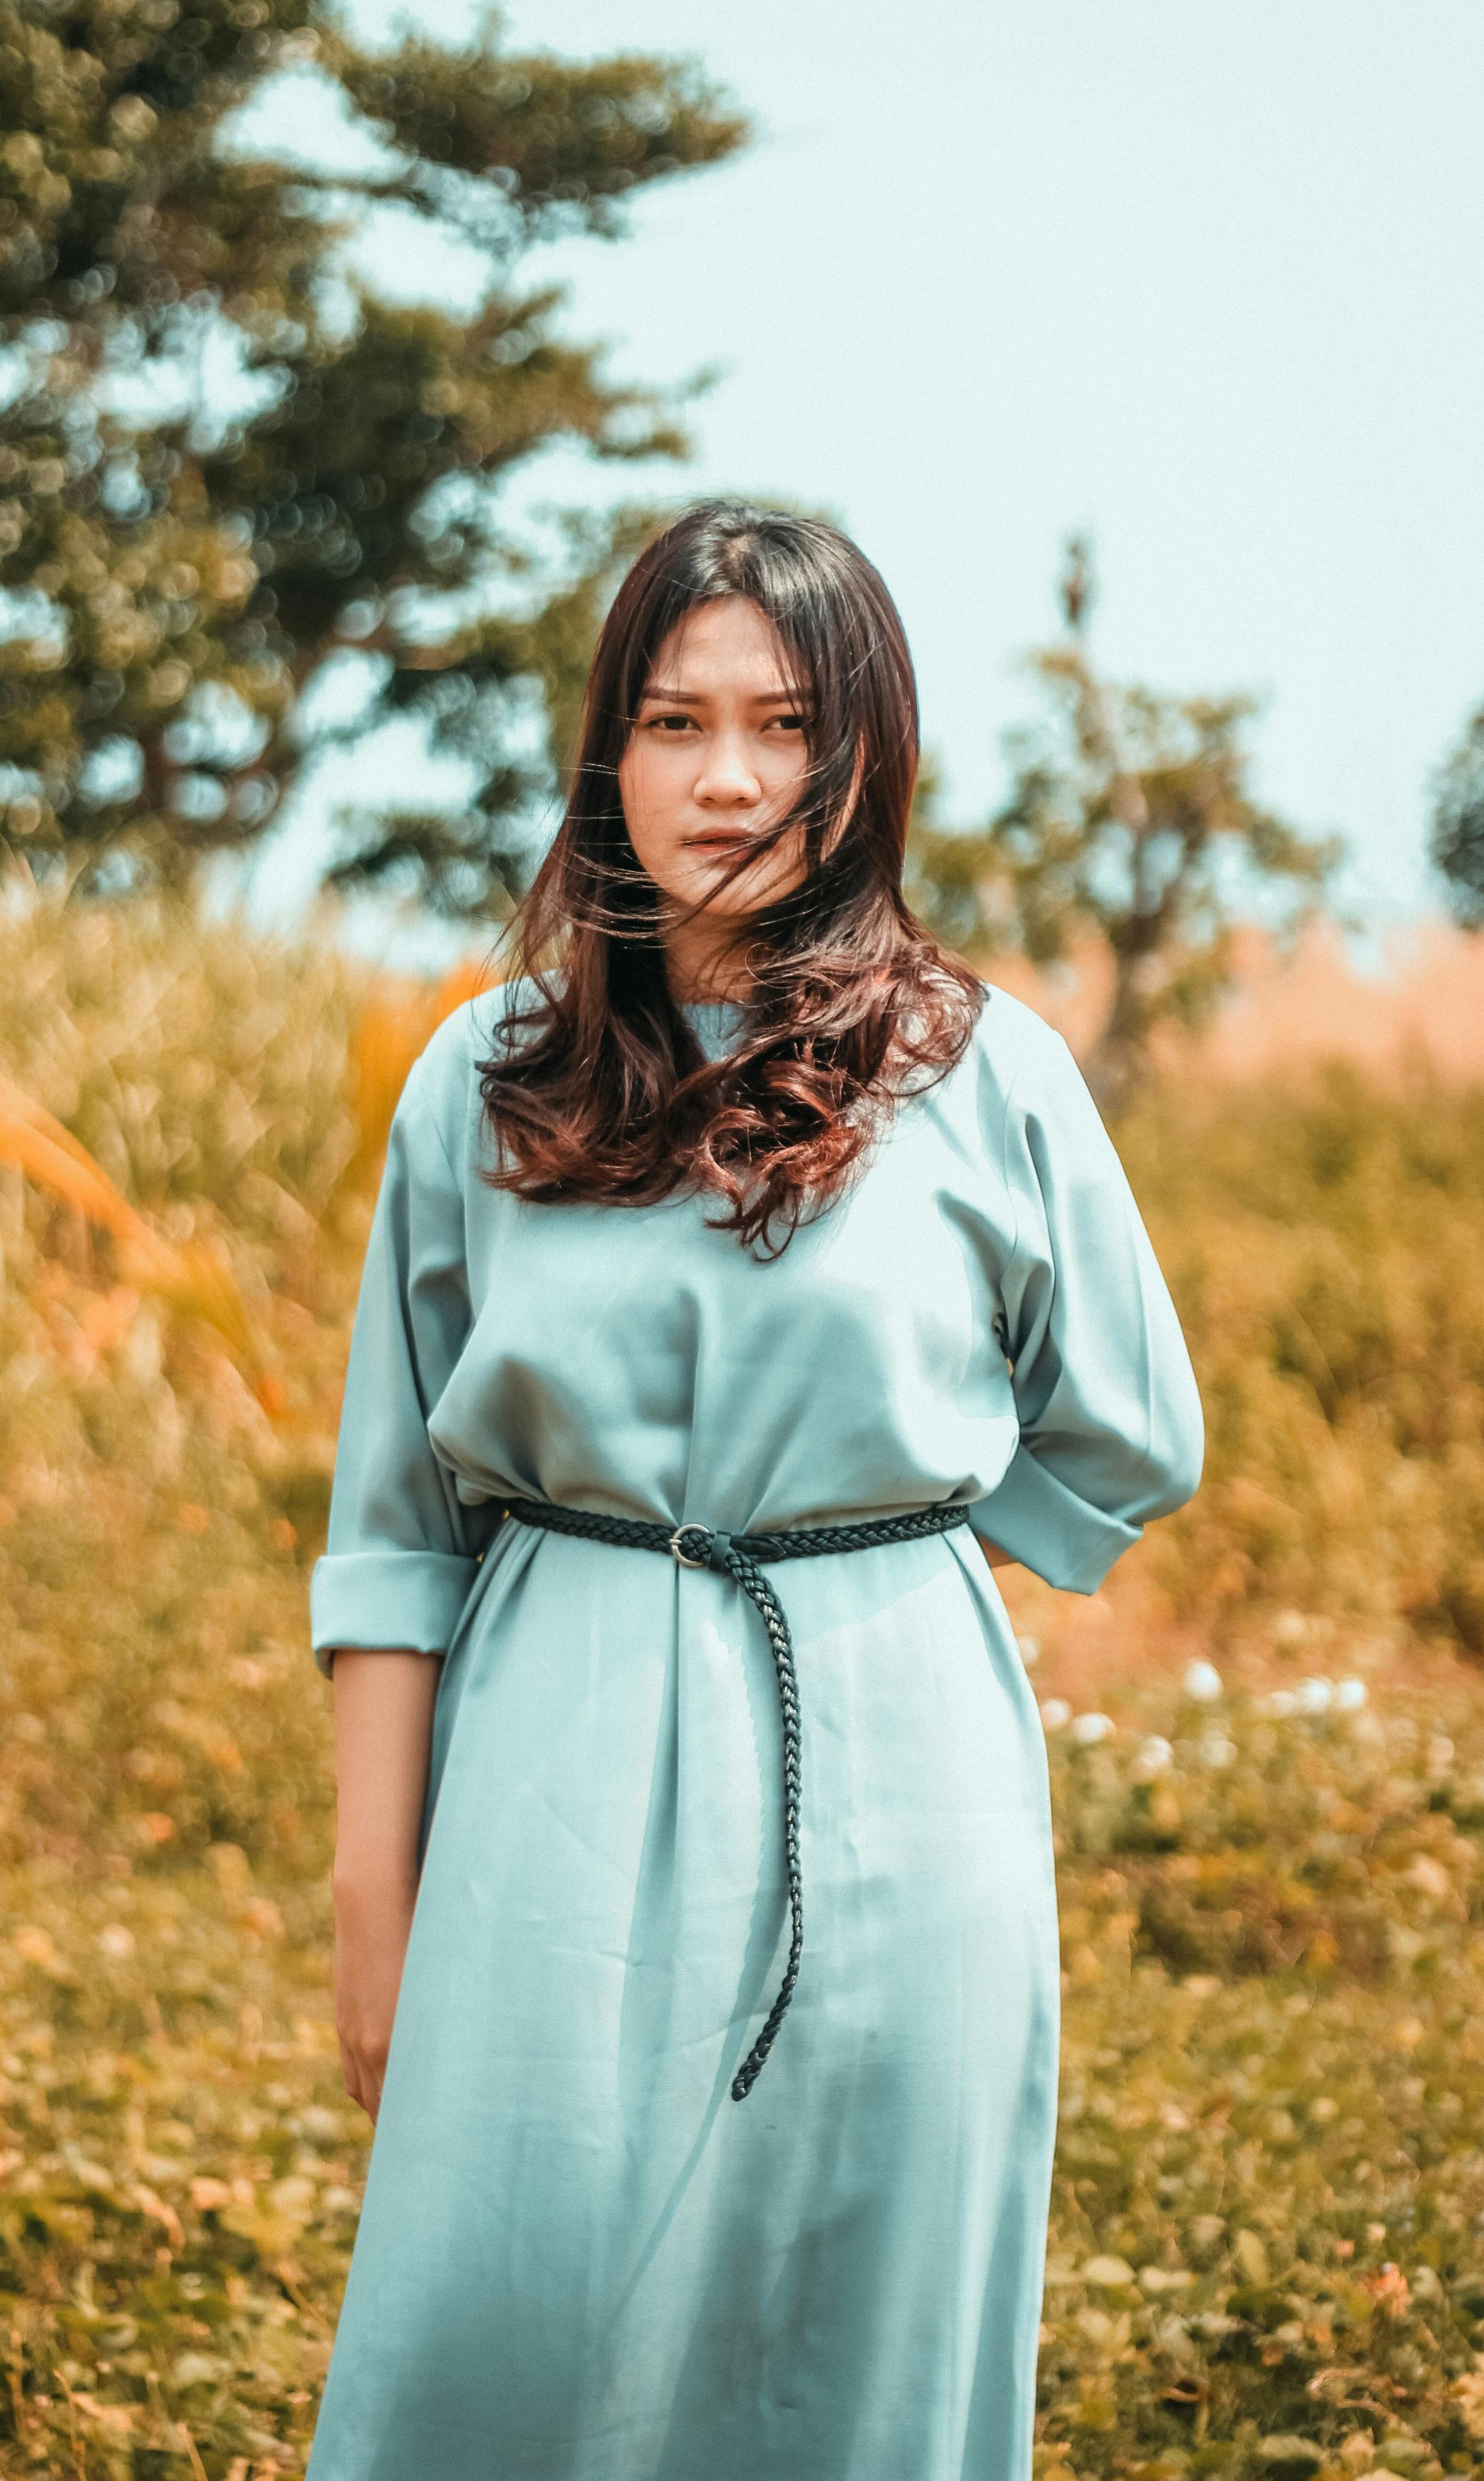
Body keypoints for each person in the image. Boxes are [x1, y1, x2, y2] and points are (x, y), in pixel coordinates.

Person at [306, 500, 1203, 2481]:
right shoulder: (483, 1081)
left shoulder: (987, 1072)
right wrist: (378, 1896)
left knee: (853, 2344)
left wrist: (889, 1541)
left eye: (788, 724)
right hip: (550, 1760)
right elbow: (396, 1529)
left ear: (867, 751)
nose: (728, 778)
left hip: (897, 1769)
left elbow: (1129, 1423)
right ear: (604, 758)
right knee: (496, 2343)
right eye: (674, 719)